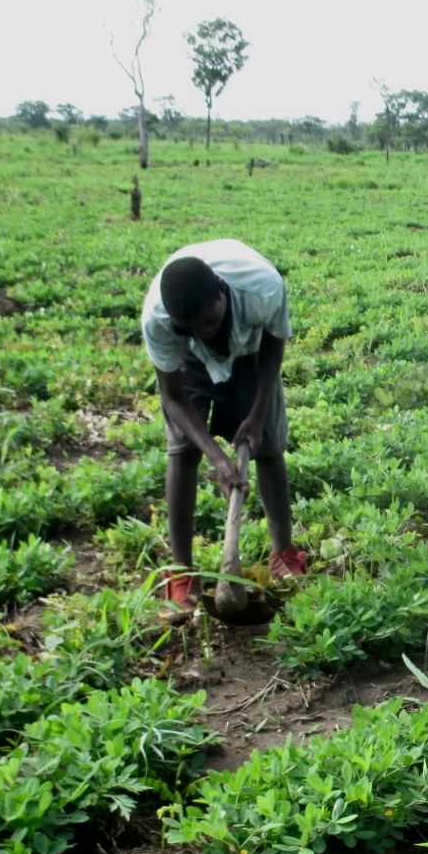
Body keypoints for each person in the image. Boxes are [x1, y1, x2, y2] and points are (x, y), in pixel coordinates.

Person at [141, 239, 307, 623]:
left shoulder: (263, 288)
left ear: (221, 289)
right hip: (190, 363)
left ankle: (285, 553)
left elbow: (273, 350)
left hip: (250, 348)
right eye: (191, 328)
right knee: (182, 451)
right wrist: (216, 457)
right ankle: (181, 573)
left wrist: (256, 416)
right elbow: (173, 396)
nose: (204, 333)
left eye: (209, 323)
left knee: (267, 445)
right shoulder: (159, 319)